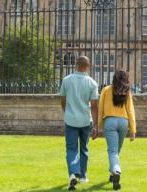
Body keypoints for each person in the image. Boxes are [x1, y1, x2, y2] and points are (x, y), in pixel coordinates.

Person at [58, 55, 99, 190]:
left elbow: (63, 100)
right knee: (84, 148)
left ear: (76, 65)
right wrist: (96, 126)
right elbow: (93, 106)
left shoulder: (66, 80)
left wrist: (66, 111)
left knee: (71, 148)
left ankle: (72, 174)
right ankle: (83, 175)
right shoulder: (92, 83)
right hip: (86, 121)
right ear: (87, 67)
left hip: (70, 120)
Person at [95, 69, 136, 190]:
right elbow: (131, 111)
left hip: (110, 122)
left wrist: (99, 125)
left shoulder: (106, 90)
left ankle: (116, 170)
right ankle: (112, 174)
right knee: (116, 150)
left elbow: (101, 108)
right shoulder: (126, 92)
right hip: (124, 122)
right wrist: (133, 130)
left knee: (112, 151)